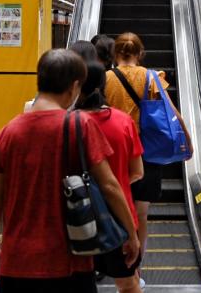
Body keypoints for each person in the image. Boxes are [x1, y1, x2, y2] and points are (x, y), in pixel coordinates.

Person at [0, 49, 140, 293]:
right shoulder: (80, 126)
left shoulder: (8, 132)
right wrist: (131, 234)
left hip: (17, 261)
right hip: (70, 260)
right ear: (74, 87)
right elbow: (109, 185)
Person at [104, 33, 192, 270]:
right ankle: (137, 265)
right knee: (141, 214)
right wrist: (187, 140)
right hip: (146, 151)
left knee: (114, 207)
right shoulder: (152, 78)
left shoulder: (106, 78)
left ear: (115, 54)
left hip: (114, 149)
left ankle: (113, 262)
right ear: (139, 53)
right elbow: (168, 110)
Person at [69, 47, 144, 293]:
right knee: (128, 283)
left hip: (76, 215)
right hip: (118, 217)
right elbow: (138, 172)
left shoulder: (67, 123)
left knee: (80, 282)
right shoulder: (124, 122)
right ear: (104, 84)